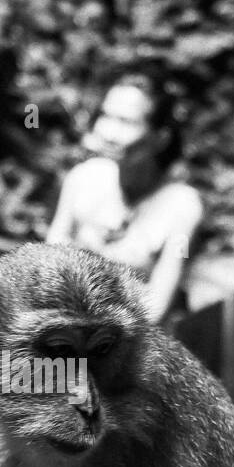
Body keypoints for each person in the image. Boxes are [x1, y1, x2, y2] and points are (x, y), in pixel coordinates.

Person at [46, 68, 204, 321]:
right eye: (106, 116)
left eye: (126, 122)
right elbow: (47, 261)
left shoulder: (182, 206)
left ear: (160, 138)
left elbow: (158, 305)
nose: (108, 132)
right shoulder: (83, 178)